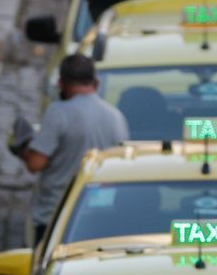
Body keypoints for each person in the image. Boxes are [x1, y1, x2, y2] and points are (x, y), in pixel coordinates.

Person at [10, 53, 128, 245]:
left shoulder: (58, 113)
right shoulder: (116, 117)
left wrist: (22, 147)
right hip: (103, 214)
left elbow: (35, 163)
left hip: (58, 216)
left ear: (61, 84)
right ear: (96, 83)